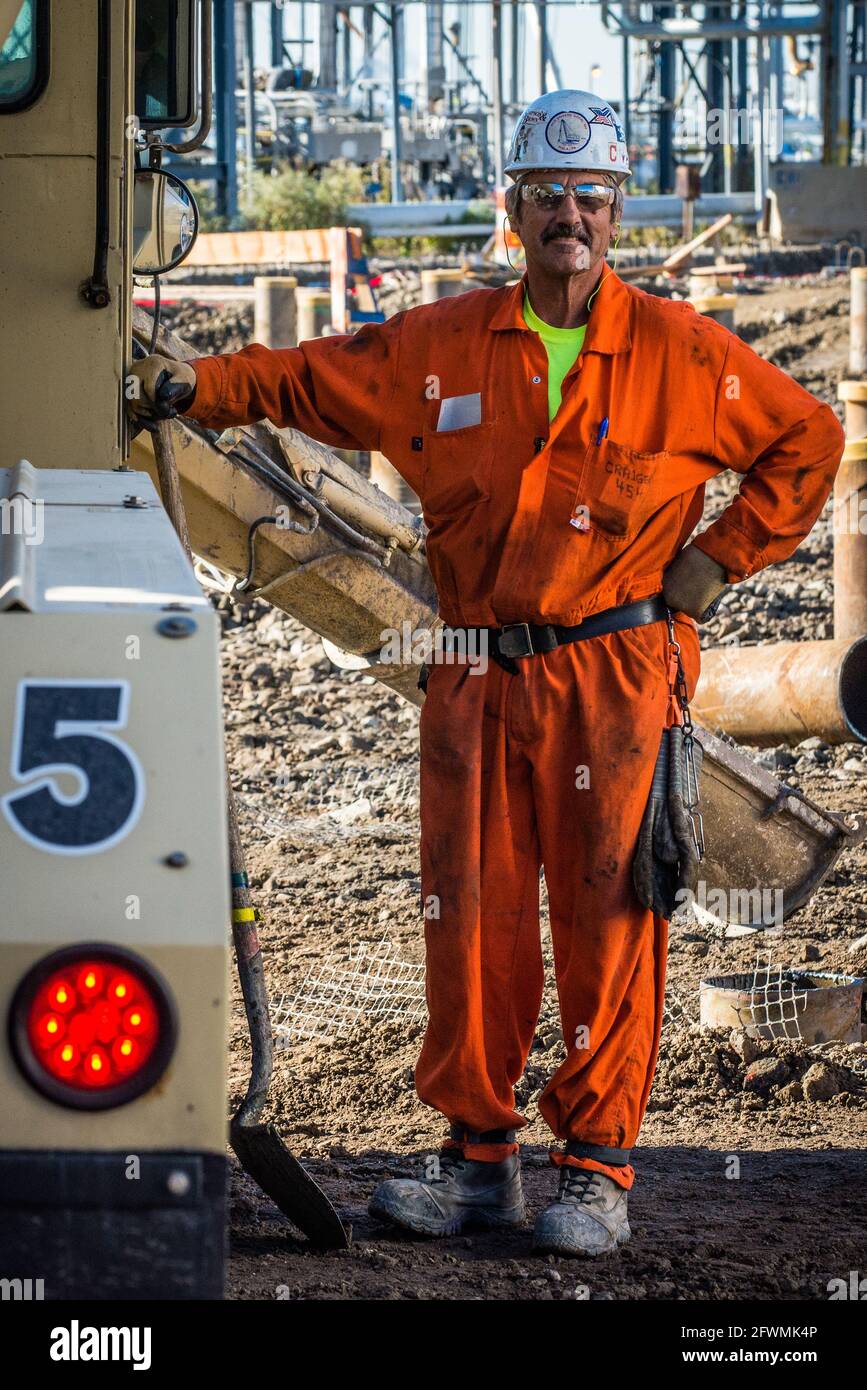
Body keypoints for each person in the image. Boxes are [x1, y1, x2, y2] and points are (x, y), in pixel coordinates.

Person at [129, 89, 845, 1257]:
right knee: (471, 919)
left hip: (616, 675)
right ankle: (478, 1165)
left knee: (612, 916)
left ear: (617, 216)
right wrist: (197, 386)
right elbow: (313, 377)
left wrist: (721, 558)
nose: (571, 217)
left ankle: (599, 1170)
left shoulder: (682, 350)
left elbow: (806, 439)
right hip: (474, 672)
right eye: (549, 197)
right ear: (514, 209)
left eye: (591, 199)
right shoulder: (441, 345)